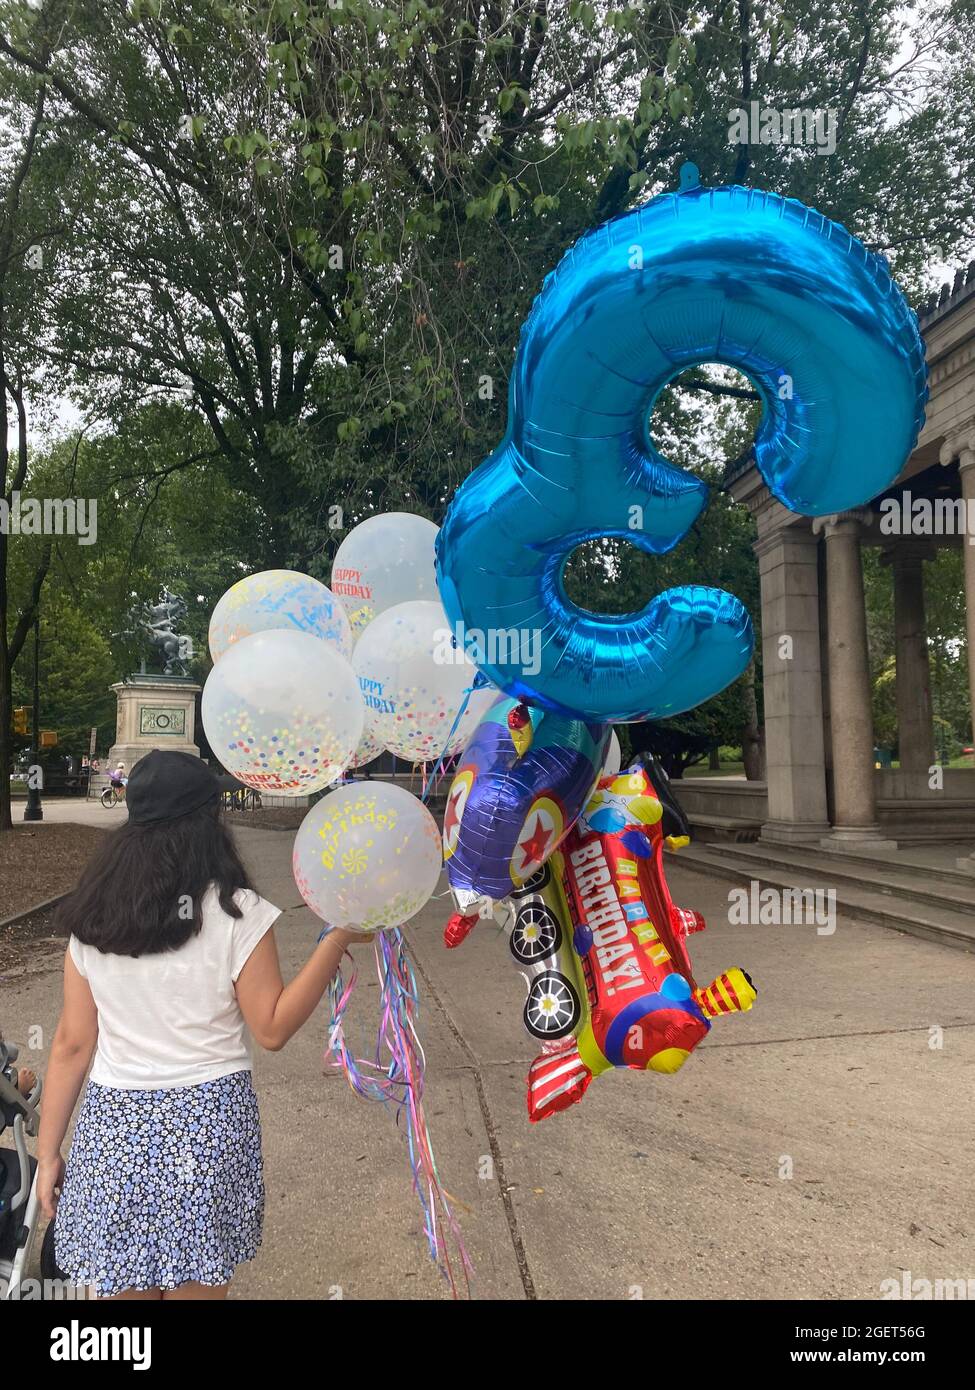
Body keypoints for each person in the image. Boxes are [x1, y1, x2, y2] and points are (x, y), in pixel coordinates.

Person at [36, 749, 368, 1301]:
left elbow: (71, 1045)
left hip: (115, 1130)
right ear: (209, 821)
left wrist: (48, 1154)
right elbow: (272, 1028)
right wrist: (334, 940)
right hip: (208, 1126)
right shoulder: (237, 911)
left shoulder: (93, 920)